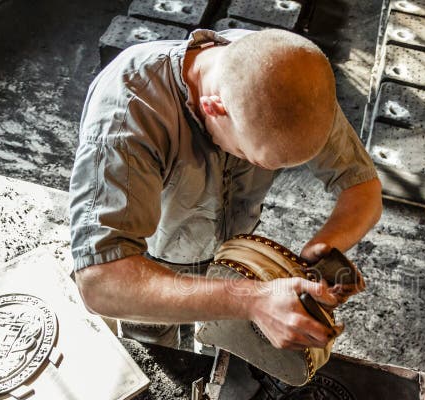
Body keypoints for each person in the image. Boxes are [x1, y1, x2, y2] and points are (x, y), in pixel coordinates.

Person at [68, 28, 382, 352]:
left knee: (224, 353)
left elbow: (362, 186)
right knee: (158, 355)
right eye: (252, 158)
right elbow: (100, 284)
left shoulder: (287, 76)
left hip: (235, 254)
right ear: (213, 107)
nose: (266, 172)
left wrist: (324, 245)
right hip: (149, 266)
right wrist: (253, 301)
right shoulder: (129, 113)